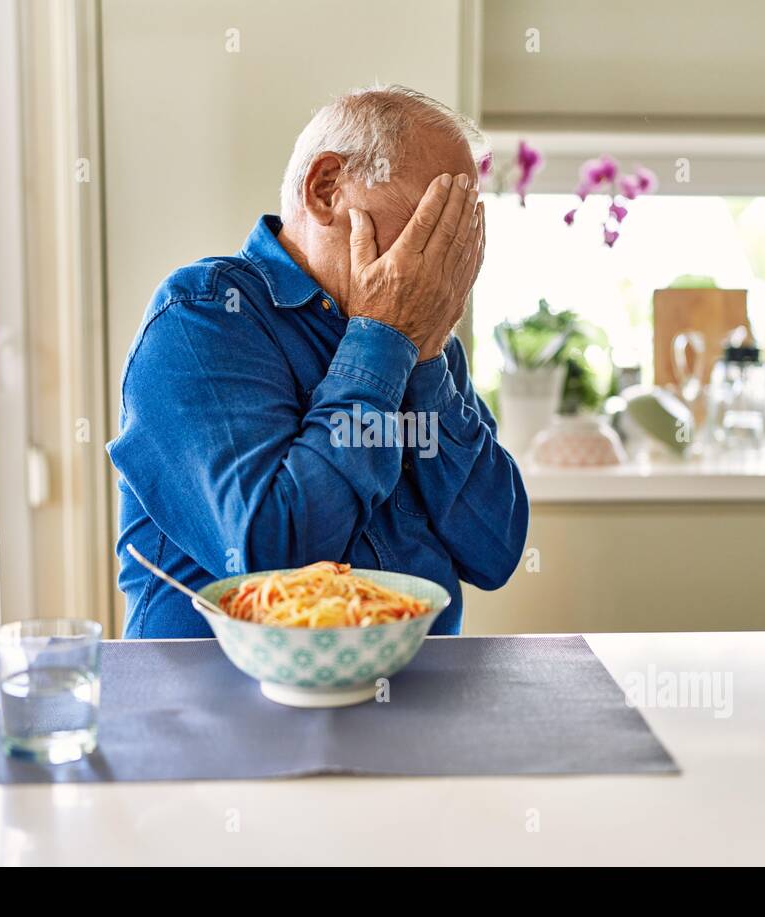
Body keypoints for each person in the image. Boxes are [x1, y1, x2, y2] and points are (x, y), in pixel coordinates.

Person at [107, 85, 528, 637]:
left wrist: (422, 360)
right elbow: (274, 555)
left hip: (411, 703)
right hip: (228, 710)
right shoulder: (203, 316)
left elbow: (494, 552)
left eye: (463, 225)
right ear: (325, 188)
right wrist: (383, 339)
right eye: (434, 217)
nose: (445, 257)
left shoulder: (425, 337)